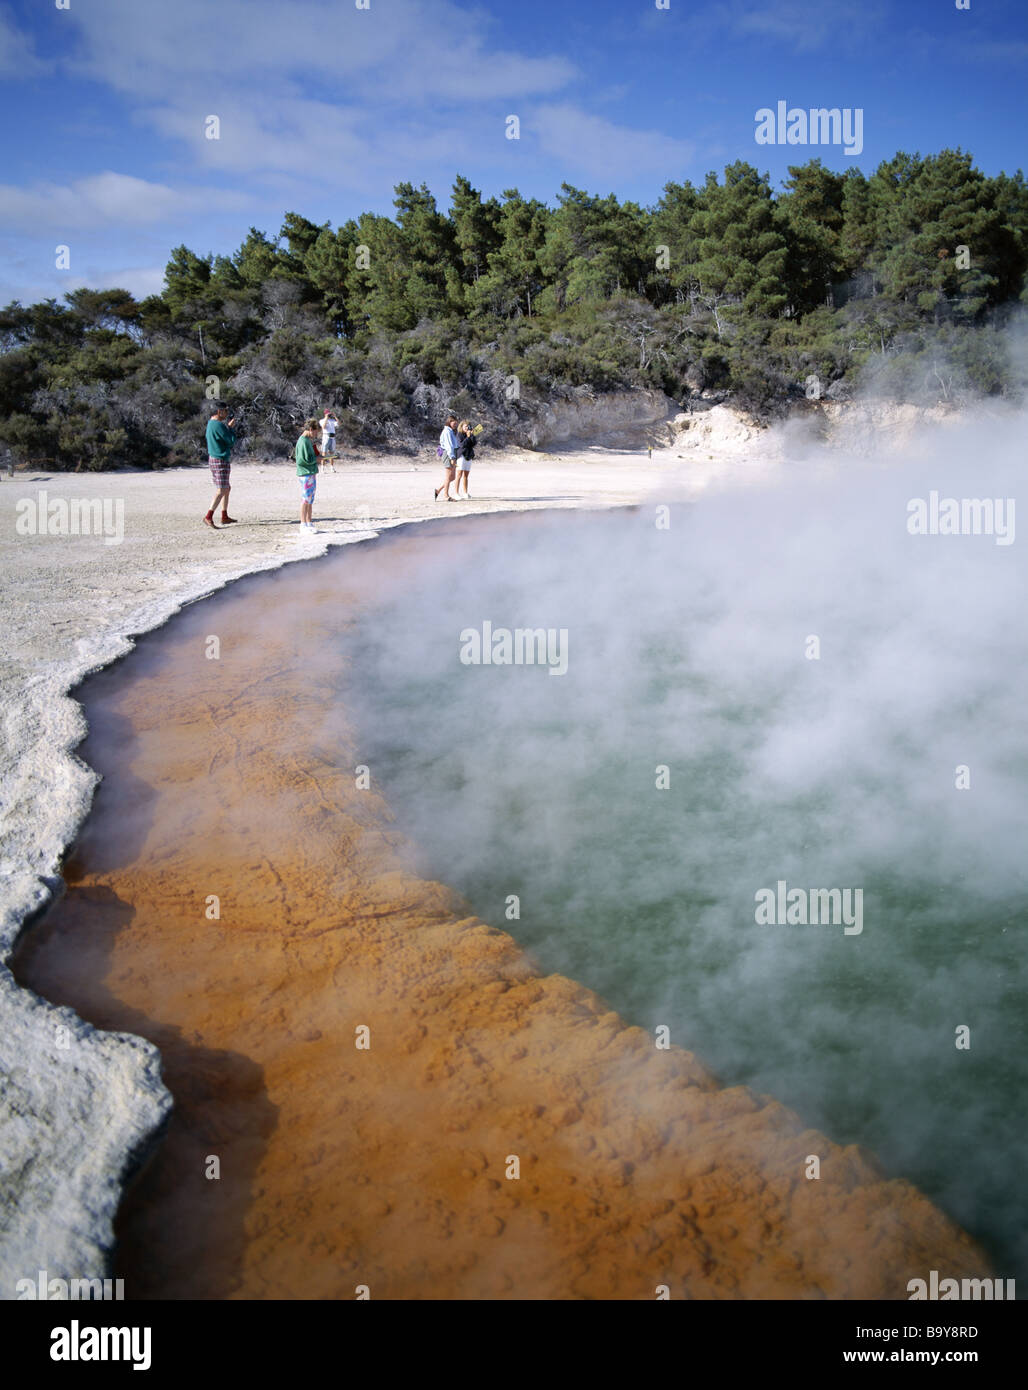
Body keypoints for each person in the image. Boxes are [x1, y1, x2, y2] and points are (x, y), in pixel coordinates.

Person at [204, 403, 238, 528]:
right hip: (220, 459)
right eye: (226, 411)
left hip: (214, 458)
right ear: (220, 411)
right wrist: (230, 428)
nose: (227, 414)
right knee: (222, 489)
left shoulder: (211, 423)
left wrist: (227, 427)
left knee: (226, 488)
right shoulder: (219, 425)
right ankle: (208, 516)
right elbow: (231, 441)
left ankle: (224, 515)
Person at [295, 417, 320, 535]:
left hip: (310, 473)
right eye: (315, 432)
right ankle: (303, 524)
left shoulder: (308, 440)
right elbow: (302, 460)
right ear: (311, 429)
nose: (316, 434)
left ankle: (309, 522)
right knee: (305, 499)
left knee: (310, 499)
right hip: (305, 473)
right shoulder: (303, 441)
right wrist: (316, 460)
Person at [435, 415, 459, 501]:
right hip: (449, 454)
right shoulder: (447, 431)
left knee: (452, 477)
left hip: (453, 453)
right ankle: (446, 495)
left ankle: (438, 491)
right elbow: (449, 445)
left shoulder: (451, 431)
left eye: (456, 423)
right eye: (453, 422)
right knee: (448, 476)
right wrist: (452, 457)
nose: (455, 424)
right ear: (449, 422)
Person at [454, 419, 477, 498]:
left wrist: (472, 435)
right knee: (459, 475)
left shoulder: (470, 433)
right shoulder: (459, 434)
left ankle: (465, 492)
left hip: (468, 456)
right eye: (466, 426)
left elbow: (474, 444)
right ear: (462, 427)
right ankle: (456, 493)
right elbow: (462, 445)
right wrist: (467, 437)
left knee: (466, 476)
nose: (467, 428)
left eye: (468, 426)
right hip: (461, 456)